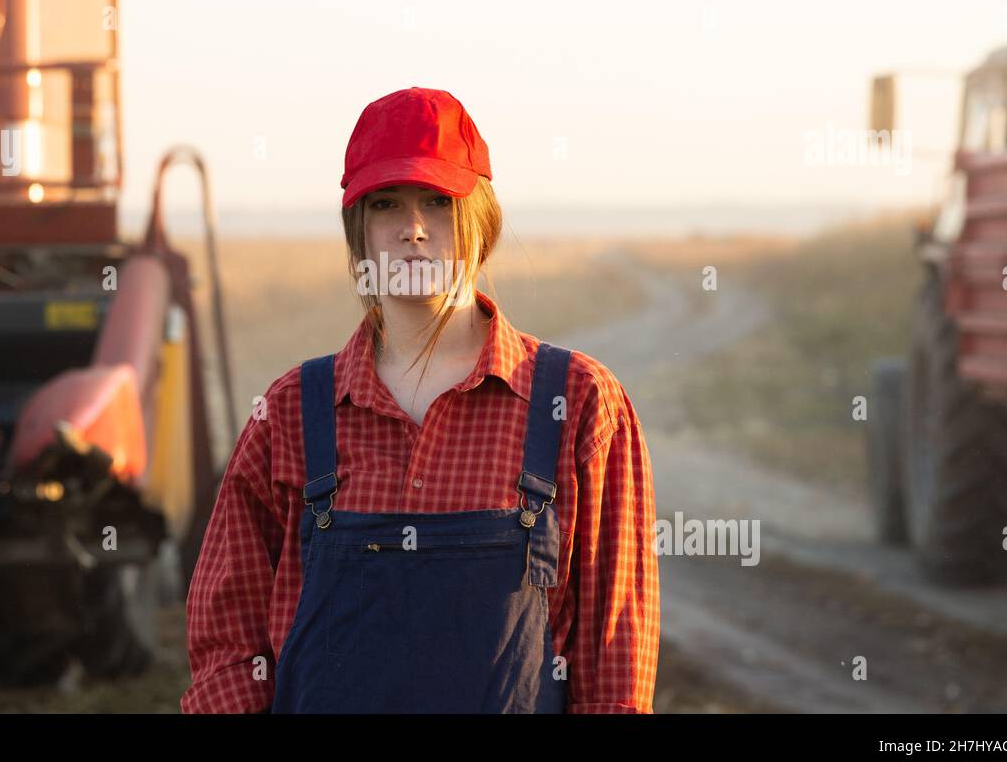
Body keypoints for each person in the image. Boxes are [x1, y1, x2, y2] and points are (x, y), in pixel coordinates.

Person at [181, 86, 658, 713]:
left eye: (438, 202)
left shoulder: (579, 405)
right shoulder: (293, 412)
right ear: (359, 234)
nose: (413, 229)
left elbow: (614, 659)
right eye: (386, 204)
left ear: (481, 223)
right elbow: (226, 646)